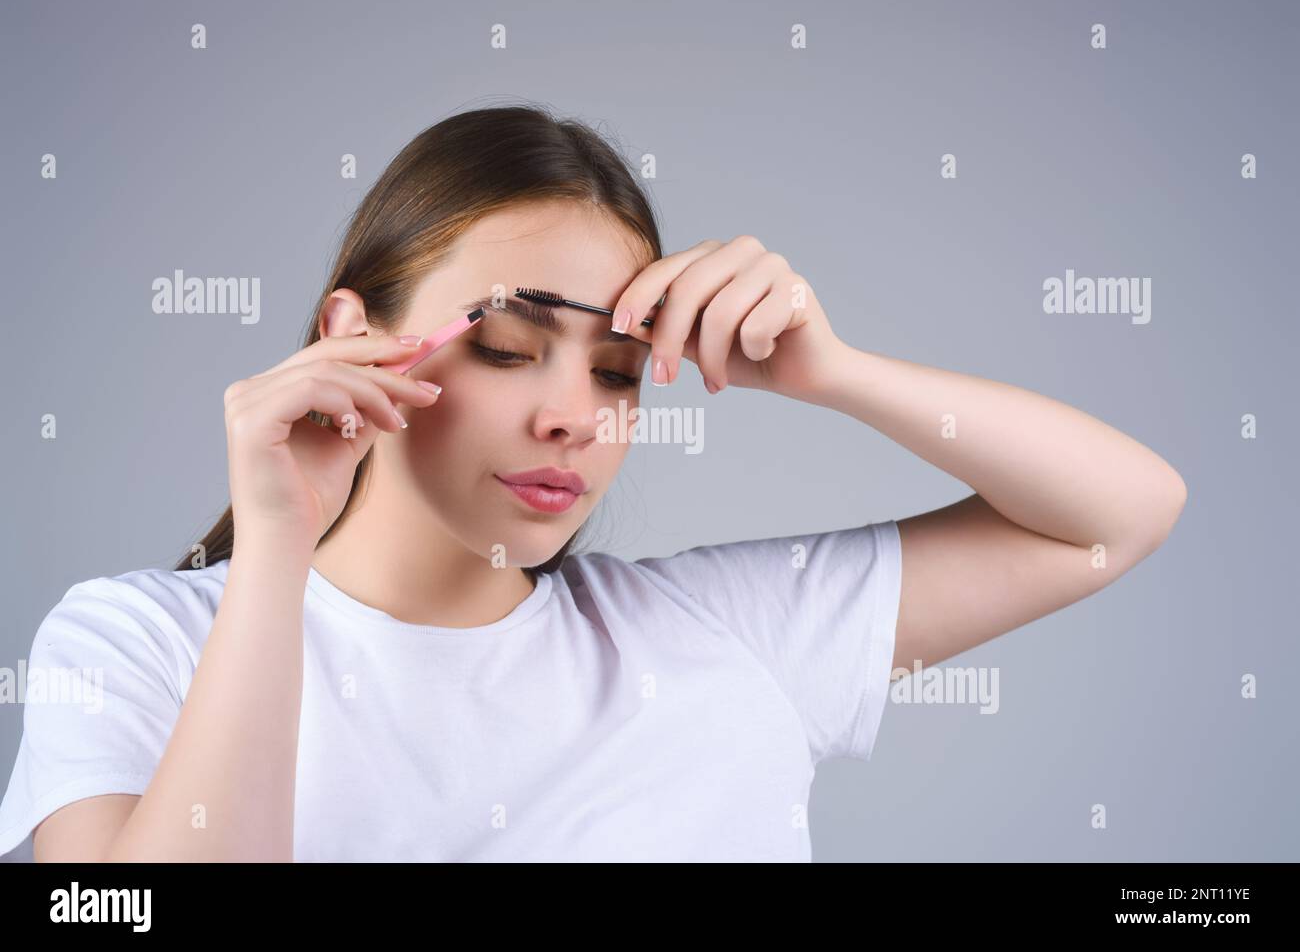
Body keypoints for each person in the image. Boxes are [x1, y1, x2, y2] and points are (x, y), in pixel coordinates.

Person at [0, 104, 1186, 862]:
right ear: (348, 332)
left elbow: (1118, 515)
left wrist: (838, 374)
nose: (574, 414)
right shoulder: (133, 643)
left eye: (619, 371)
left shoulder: (729, 637)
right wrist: (273, 547)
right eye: (508, 349)